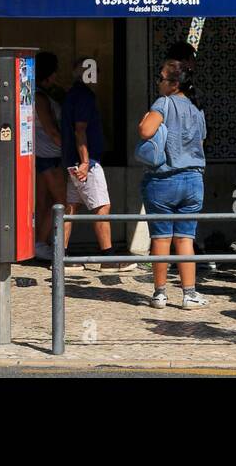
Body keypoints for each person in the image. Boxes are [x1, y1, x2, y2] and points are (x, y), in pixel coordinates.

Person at [139, 59, 208, 309]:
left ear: (174, 83)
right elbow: (202, 142)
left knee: (161, 237)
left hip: (163, 179)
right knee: (185, 238)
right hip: (193, 179)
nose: (158, 83)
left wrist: (146, 118)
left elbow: (146, 131)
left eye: (161, 78)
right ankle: (189, 293)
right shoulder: (196, 107)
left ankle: (160, 293)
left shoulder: (164, 103)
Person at [61, 57, 135, 274]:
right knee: (101, 207)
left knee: (70, 208)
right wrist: (85, 161)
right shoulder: (84, 96)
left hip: (72, 161)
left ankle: (61, 255)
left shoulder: (72, 94)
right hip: (87, 162)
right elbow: (80, 129)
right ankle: (108, 258)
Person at [33, 52, 67, 261]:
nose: (56, 76)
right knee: (61, 201)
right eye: (54, 72)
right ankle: (42, 243)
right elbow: (52, 131)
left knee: (45, 202)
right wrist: (71, 149)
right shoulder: (40, 97)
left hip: (41, 155)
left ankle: (38, 242)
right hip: (50, 156)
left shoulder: (38, 94)